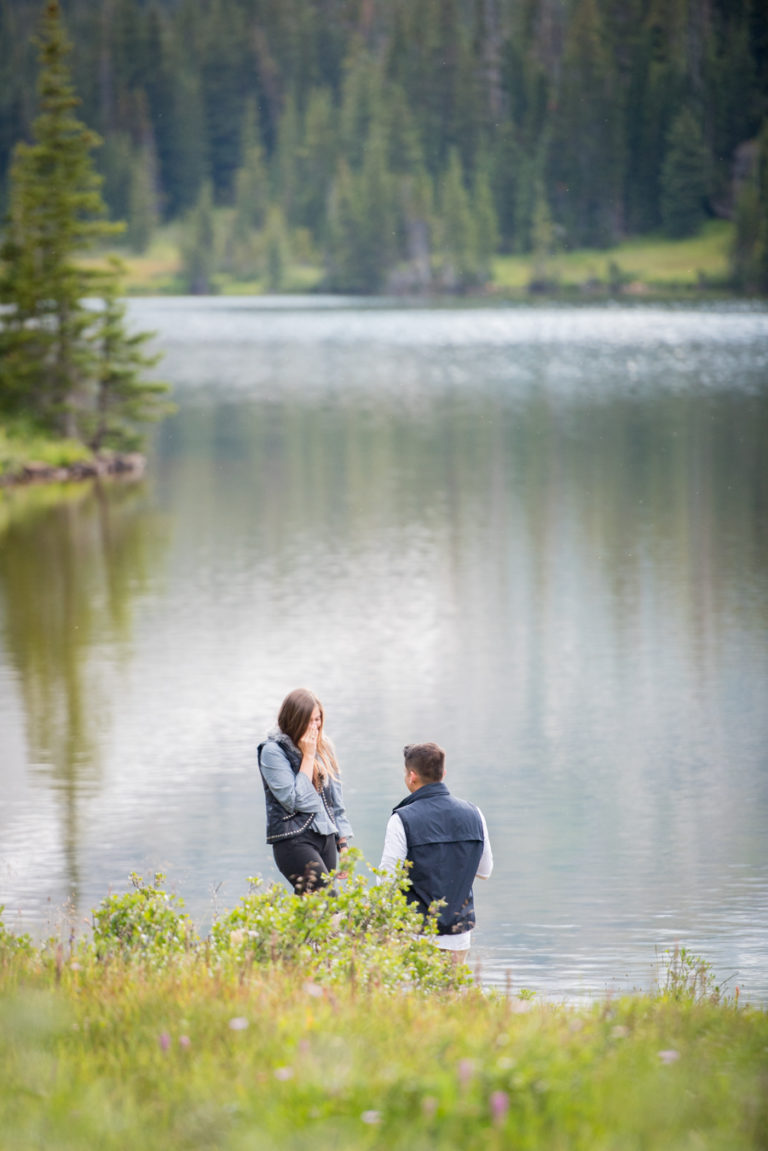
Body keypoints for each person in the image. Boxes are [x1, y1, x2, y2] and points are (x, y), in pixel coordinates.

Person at [379, 742, 492, 958]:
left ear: (412, 776)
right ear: (443, 773)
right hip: (459, 935)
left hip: (415, 933)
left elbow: (387, 881)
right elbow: (485, 870)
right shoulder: (474, 813)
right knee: (451, 991)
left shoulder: (402, 819)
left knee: (415, 992)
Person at [258, 688, 353, 893]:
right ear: (293, 721)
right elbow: (296, 801)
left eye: (317, 719)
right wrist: (308, 757)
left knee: (314, 913)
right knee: (328, 900)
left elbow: (336, 801)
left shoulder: (324, 745)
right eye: (308, 721)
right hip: (294, 839)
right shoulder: (272, 752)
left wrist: (342, 844)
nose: (315, 726)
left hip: (326, 836)